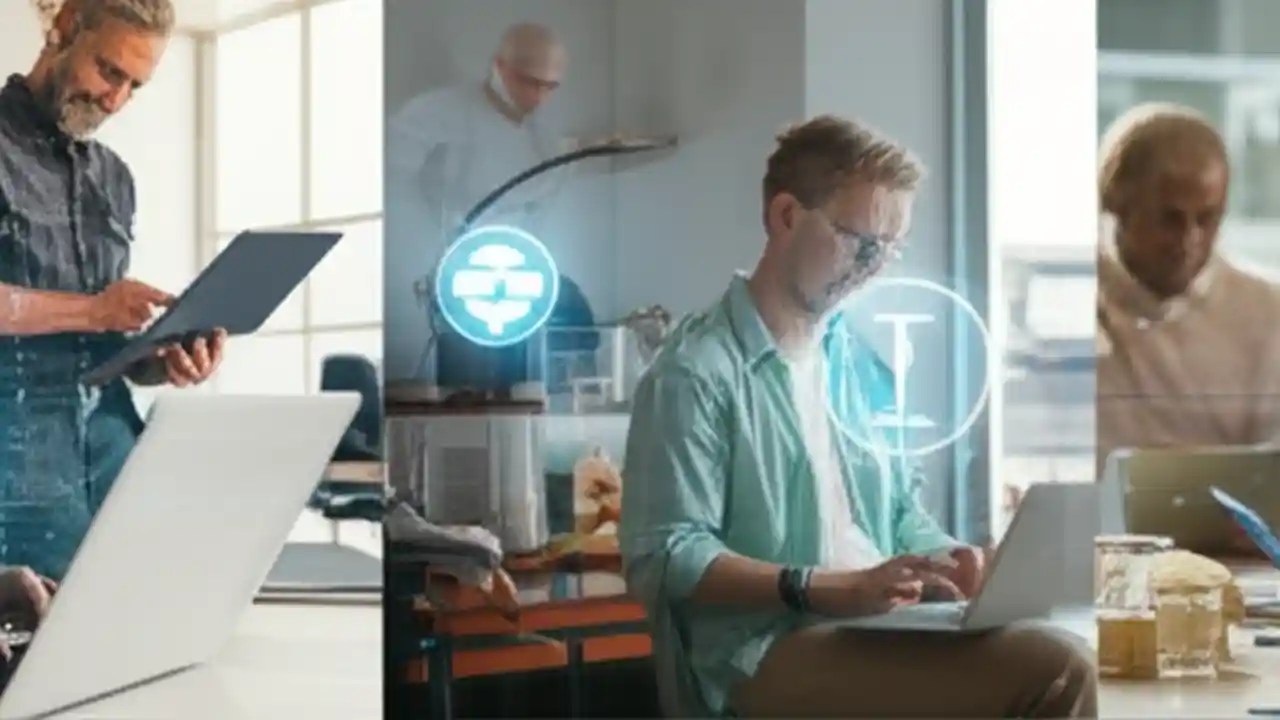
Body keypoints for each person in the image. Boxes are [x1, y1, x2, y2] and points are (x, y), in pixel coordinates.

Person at [620, 116, 1096, 718]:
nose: (875, 266)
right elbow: (663, 556)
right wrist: (826, 586)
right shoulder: (696, 372)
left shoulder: (856, 365)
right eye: (862, 242)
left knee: (1071, 649)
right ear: (786, 216)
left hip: (878, 624)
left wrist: (952, 559)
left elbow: (898, 514)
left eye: (891, 250)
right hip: (766, 650)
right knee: (1054, 669)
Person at [0, 0, 226, 581]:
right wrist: (95, 308)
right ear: (66, 26)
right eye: (108, 71)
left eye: (135, 86)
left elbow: (104, 347)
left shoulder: (114, 178)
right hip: (16, 476)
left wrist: (161, 357)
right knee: (32, 659)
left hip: (116, 458)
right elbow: (91, 314)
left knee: (143, 638)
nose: (115, 100)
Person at [1097, 103, 1280, 469]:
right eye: (1170, 218)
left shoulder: (1267, 317)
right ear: (1116, 203)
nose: (1188, 240)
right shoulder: (1055, 304)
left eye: (1208, 219)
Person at [386, 21, 571, 240]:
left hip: (517, 258)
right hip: (445, 255)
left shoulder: (543, 137)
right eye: (529, 82)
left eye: (550, 86)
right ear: (499, 66)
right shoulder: (434, 113)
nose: (539, 97)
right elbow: (391, 183)